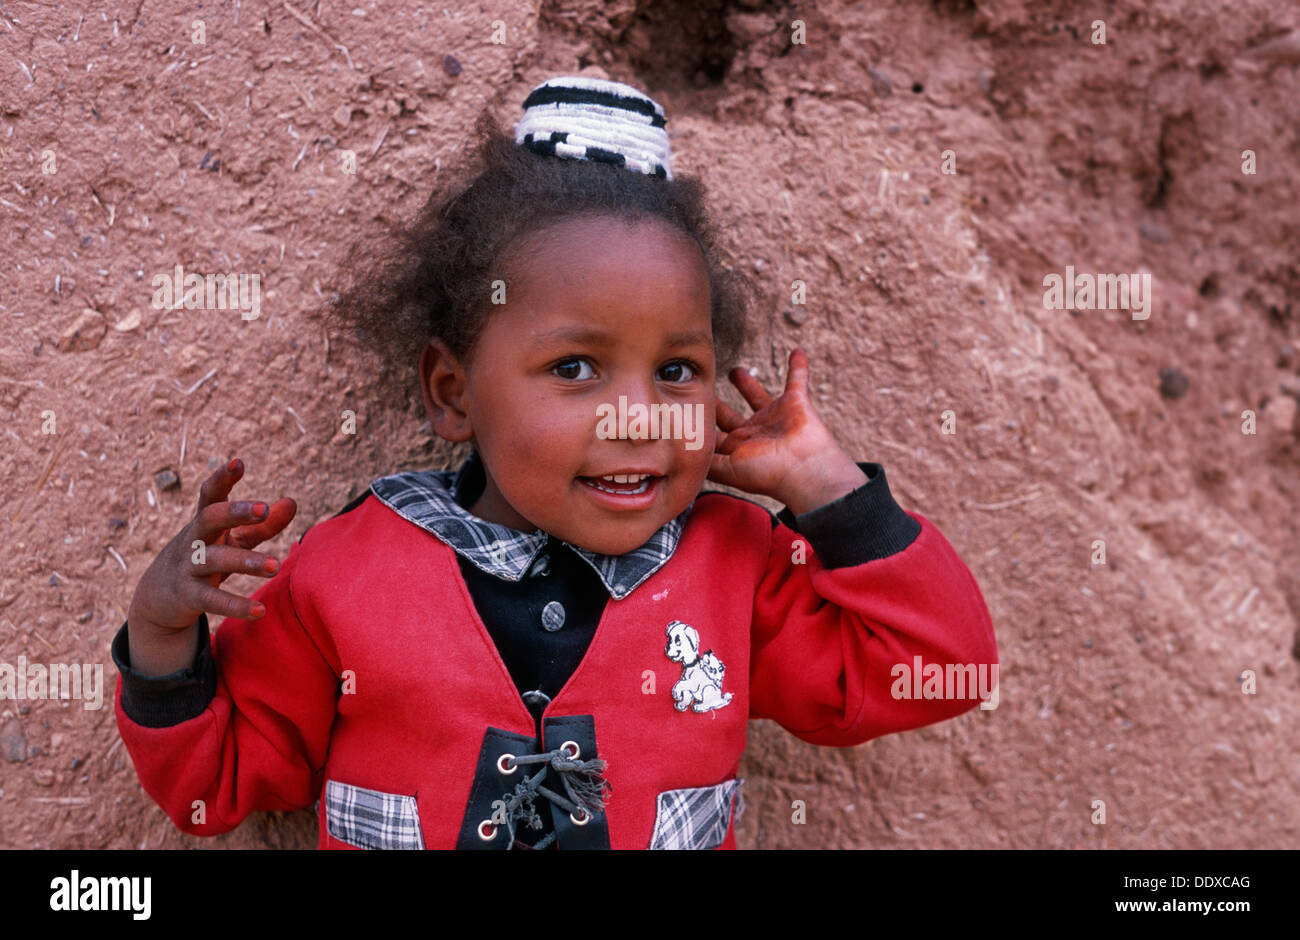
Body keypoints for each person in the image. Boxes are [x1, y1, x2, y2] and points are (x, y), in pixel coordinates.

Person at [112, 76, 998, 850]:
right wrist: (161, 636)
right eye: (574, 367)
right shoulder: (343, 574)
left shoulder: (739, 569)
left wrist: (827, 490)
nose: (635, 416)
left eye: (677, 371)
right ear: (453, 393)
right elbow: (212, 791)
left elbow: (932, 672)